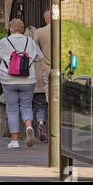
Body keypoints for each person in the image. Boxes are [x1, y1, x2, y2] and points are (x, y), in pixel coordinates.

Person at [0, 17, 44, 149]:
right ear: (22, 29)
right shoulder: (30, 41)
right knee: (26, 106)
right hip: (28, 79)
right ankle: (28, 126)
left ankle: (15, 140)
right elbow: (40, 57)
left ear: (10, 29)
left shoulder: (4, 41)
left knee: (12, 109)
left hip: (8, 79)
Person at [30, 8, 53, 142]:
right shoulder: (66, 30)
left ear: (45, 19)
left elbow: (34, 50)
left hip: (46, 70)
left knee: (48, 101)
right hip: (64, 71)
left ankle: (45, 126)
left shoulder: (39, 32)